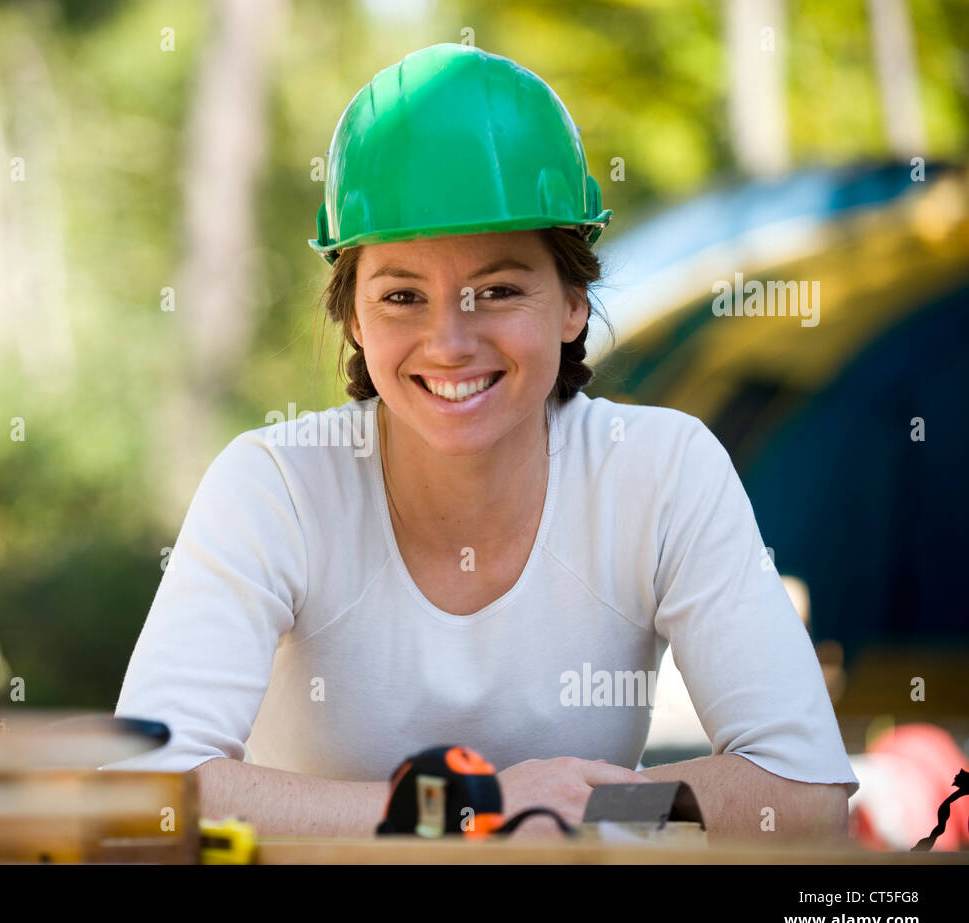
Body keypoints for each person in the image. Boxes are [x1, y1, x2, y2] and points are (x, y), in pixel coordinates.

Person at [110, 43, 858, 843]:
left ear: (573, 302)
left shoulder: (663, 471)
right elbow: (145, 791)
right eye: (402, 295)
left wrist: (596, 806)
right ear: (354, 319)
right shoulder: (275, 488)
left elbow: (804, 791)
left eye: (497, 290)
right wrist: (476, 809)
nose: (449, 341)